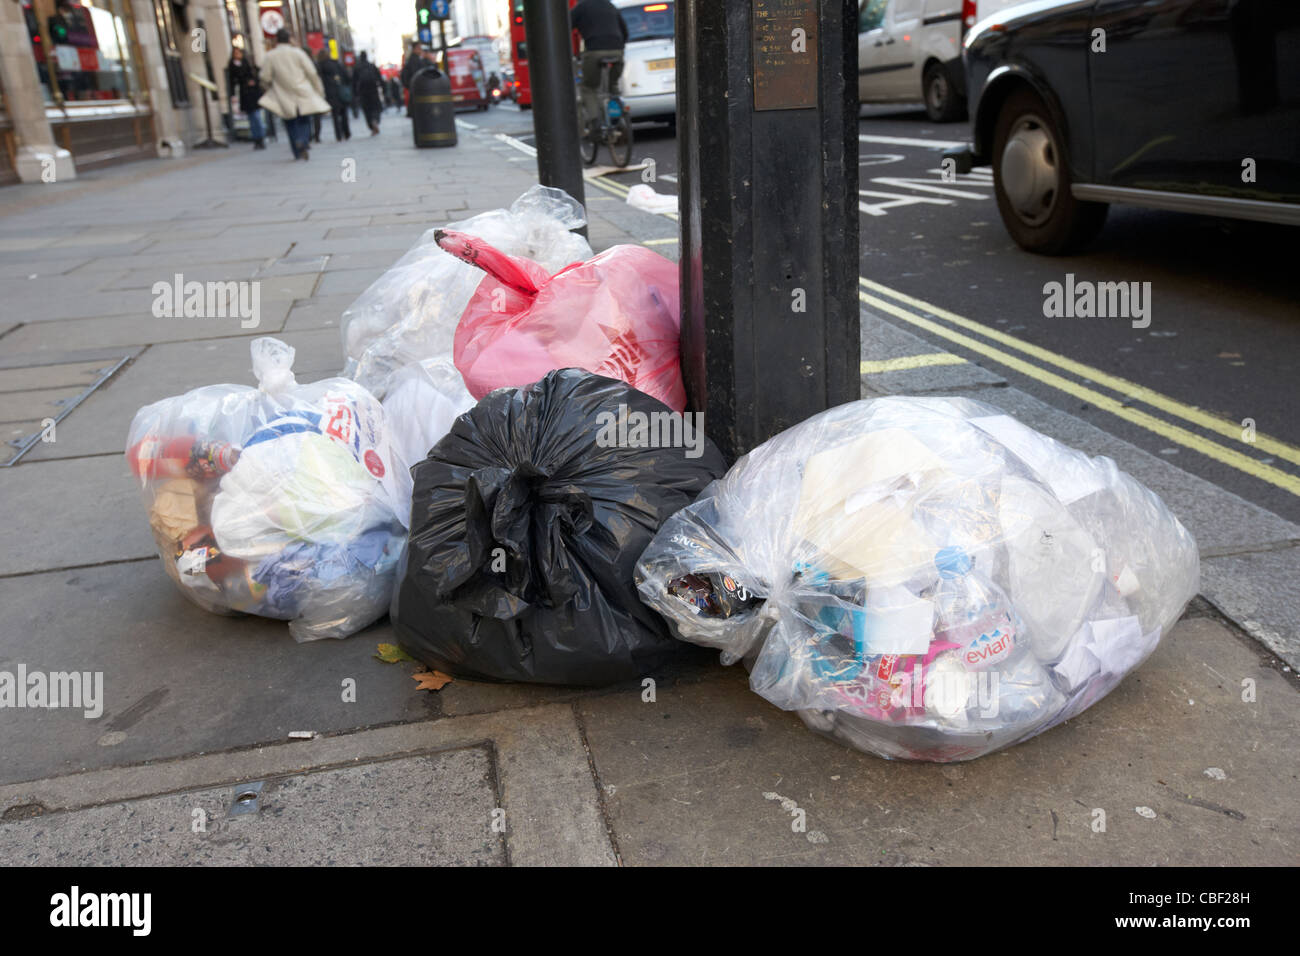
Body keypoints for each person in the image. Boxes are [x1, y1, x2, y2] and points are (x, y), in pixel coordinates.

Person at [258, 29, 331, 161]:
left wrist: (271, 88)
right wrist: (319, 90)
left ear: (277, 40)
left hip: (283, 92)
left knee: (290, 122)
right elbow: (312, 73)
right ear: (289, 39)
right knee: (304, 120)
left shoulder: (271, 56)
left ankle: (297, 150)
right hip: (302, 91)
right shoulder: (298, 53)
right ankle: (303, 140)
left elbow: (264, 76)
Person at [571, 0, 628, 135]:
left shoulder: (581, 7)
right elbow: (625, 31)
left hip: (594, 50)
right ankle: (617, 118)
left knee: (588, 88)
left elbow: (565, 27)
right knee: (612, 85)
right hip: (617, 50)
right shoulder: (609, 5)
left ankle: (595, 121)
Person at [226, 44, 265, 150]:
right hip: (244, 93)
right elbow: (232, 81)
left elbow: (256, 75)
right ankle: (256, 139)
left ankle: (261, 138)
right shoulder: (232, 65)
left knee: (256, 117)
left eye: (239, 52)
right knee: (252, 118)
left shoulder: (247, 63)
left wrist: (253, 82)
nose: (237, 55)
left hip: (253, 93)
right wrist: (233, 94)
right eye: (235, 53)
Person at [315, 48, 351, 142]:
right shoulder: (336, 63)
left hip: (330, 92)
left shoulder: (320, 66)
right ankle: (346, 132)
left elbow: (319, 80)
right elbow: (346, 76)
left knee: (335, 115)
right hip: (340, 90)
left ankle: (338, 135)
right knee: (343, 113)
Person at [353, 51, 384, 136]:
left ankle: (371, 124)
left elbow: (354, 82)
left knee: (367, 110)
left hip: (363, 92)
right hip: (373, 90)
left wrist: (355, 94)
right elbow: (380, 78)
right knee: (376, 107)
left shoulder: (357, 67)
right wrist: (383, 90)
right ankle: (375, 120)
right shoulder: (372, 66)